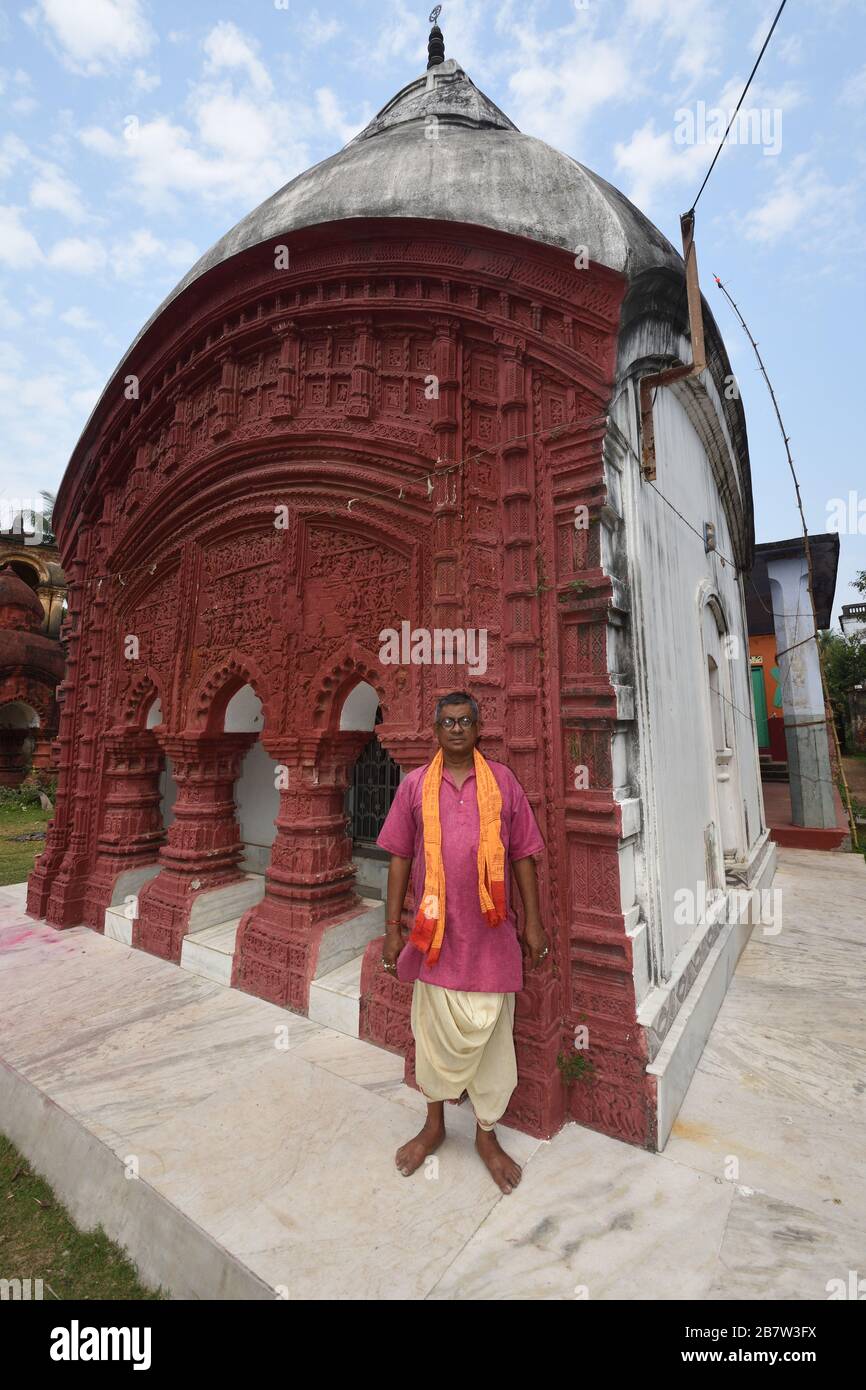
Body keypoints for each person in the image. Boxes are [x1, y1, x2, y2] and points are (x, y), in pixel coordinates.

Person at [376, 692, 548, 1194]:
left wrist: (533, 924)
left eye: (464, 721)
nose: (455, 729)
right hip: (434, 937)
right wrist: (392, 930)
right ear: (435, 730)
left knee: (494, 1041)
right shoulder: (413, 787)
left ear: (478, 728)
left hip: (492, 937)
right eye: (447, 722)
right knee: (430, 1036)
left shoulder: (502, 783)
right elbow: (399, 859)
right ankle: (433, 1126)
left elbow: (523, 857)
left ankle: (486, 1136)